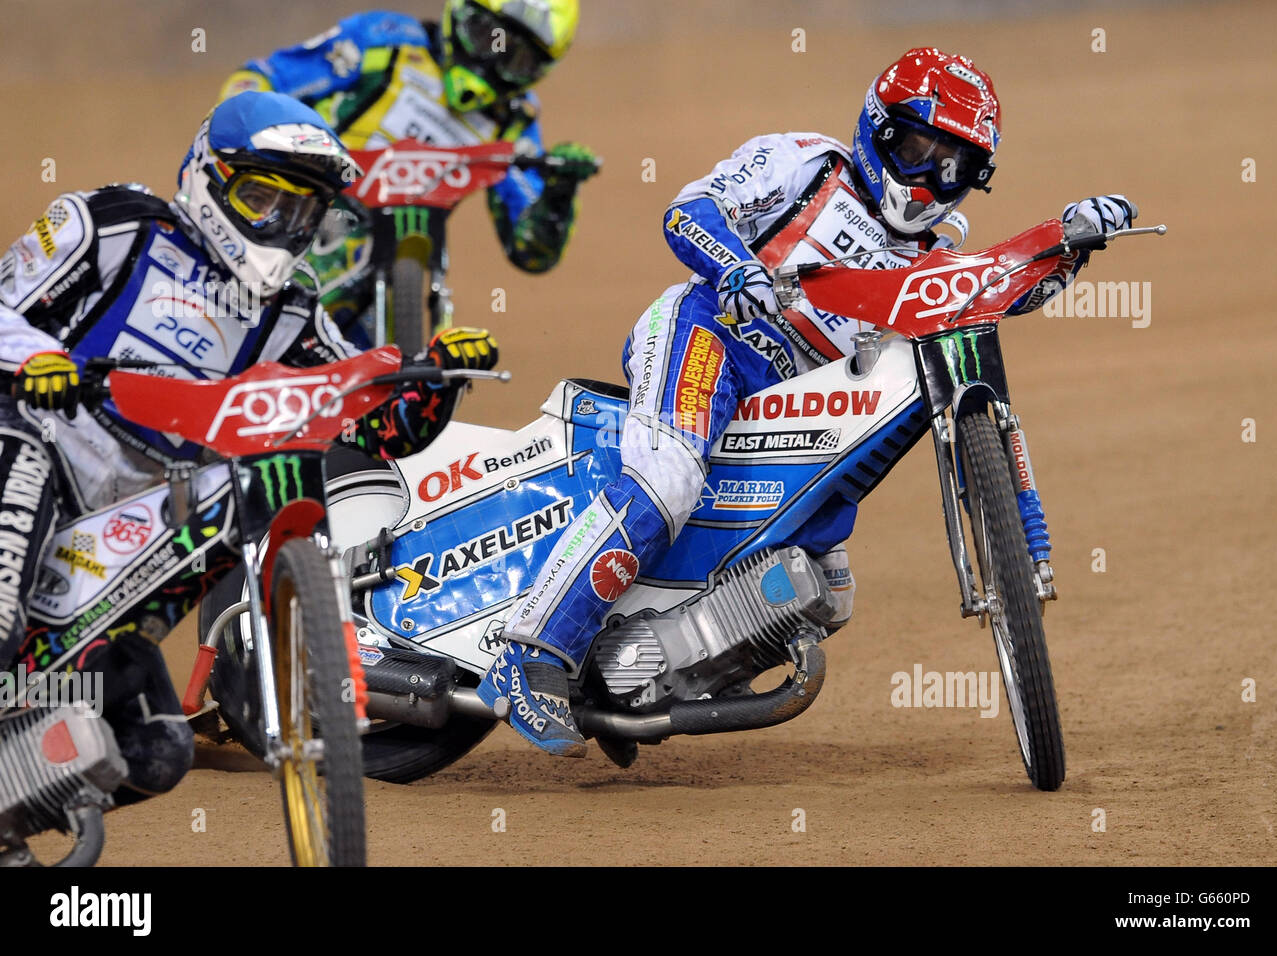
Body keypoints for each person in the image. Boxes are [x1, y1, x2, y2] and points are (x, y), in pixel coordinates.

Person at [476, 47, 1138, 757]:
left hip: (799, 408)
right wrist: (736, 267)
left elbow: (1000, 292)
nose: (930, 178)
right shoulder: (804, 162)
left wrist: (1070, 246)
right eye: (918, 147)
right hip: (711, 336)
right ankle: (529, 652)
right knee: (665, 477)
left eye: (955, 165)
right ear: (879, 130)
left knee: (825, 585)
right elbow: (688, 210)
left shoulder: (939, 255)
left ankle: (641, 676)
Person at [0, 91, 498, 806]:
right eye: (263, 197)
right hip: (35, 445)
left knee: (156, 750)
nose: (281, 224)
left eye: (302, 211)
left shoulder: (292, 314)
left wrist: (435, 378)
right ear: (211, 174)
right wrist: (33, 361)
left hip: (137, 517)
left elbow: (370, 426)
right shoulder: (112, 226)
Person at [219, 2, 599, 342]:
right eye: (486, 37)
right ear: (460, 14)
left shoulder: (515, 120)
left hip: (400, 265)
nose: (491, 62)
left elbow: (531, 251)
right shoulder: (385, 40)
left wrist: (559, 192)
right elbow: (265, 79)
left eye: (517, 61)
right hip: (300, 208)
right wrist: (240, 137)